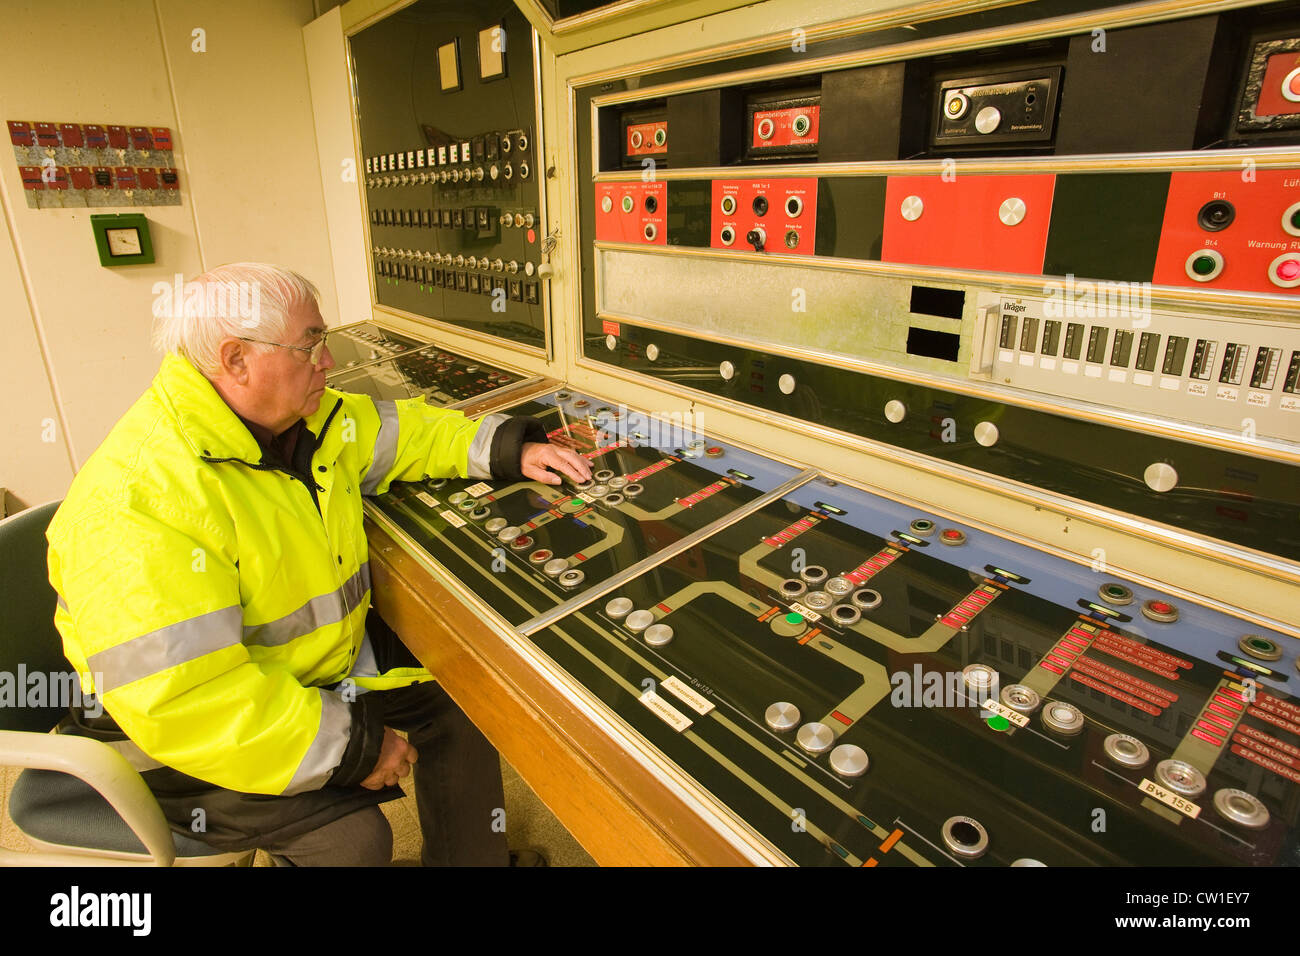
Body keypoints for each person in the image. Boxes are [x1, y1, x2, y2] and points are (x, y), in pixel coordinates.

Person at [46, 262, 591, 865]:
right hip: (174, 750)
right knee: (351, 842)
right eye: (310, 345)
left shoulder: (302, 419)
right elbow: (186, 704)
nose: (327, 362)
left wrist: (512, 446)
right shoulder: (137, 503)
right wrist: (354, 749)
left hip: (300, 675)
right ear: (235, 360)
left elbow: (403, 432)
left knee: (460, 699)